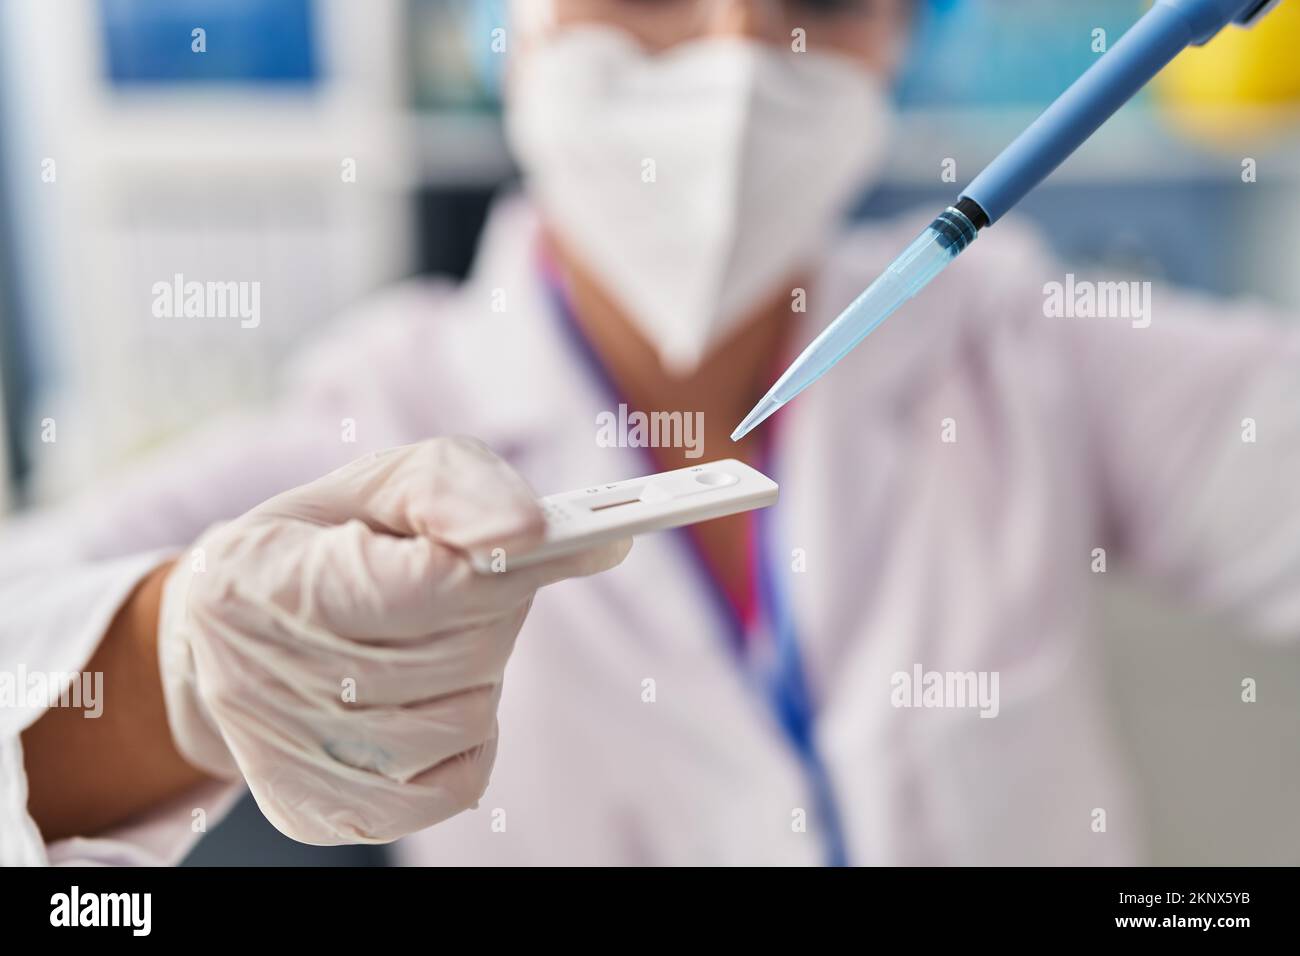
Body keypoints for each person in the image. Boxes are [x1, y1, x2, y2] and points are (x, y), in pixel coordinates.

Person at [3, 0, 1298, 865]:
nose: (737, 53)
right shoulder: (380, 412)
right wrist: (174, 660)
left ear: (905, 33)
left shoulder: (1024, 352)